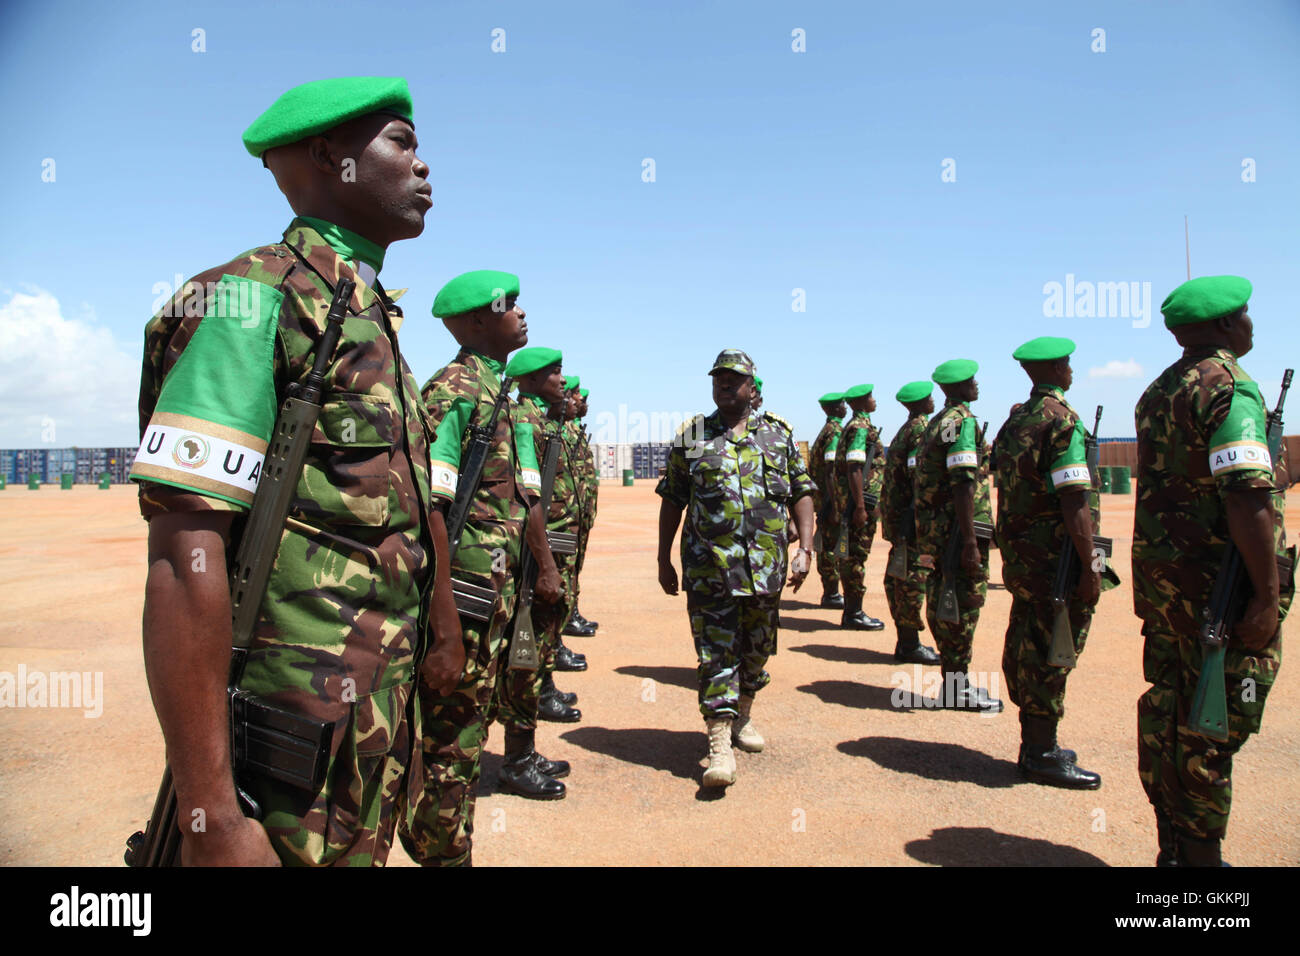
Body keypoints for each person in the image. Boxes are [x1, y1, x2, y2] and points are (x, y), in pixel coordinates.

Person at [131, 76, 462, 866]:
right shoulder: (251, 300)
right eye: (402, 142)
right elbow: (186, 554)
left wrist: (443, 629)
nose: (424, 166)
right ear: (326, 156)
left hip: (366, 720)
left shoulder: (363, 310)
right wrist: (209, 811)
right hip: (287, 748)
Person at [399, 272, 564, 864]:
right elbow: (433, 510)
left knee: (479, 721)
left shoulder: (499, 393)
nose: (520, 313)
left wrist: (541, 569)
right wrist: (443, 626)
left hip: (502, 590)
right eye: (507, 306)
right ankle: (443, 853)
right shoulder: (454, 392)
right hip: (465, 598)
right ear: (473, 324)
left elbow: (524, 501)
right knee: (452, 736)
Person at [1133, 275, 1292, 866]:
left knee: (1171, 714)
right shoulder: (1230, 389)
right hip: (1218, 592)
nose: (1251, 324)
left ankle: (1173, 851)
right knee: (1212, 727)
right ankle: (1202, 875)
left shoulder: (1159, 390)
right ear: (1227, 326)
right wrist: (1265, 597)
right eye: (1246, 315)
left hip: (1168, 589)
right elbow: (1246, 495)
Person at [656, 350, 815, 788]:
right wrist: (662, 556)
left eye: (734, 379)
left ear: (752, 387)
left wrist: (807, 548)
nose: (725, 385)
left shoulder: (779, 437)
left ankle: (744, 714)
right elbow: (673, 497)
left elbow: (801, 492)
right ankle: (719, 741)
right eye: (718, 379)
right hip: (710, 568)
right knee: (714, 652)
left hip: (766, 569)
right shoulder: (693, 436)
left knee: (757, 648)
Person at [991, 337, 1109, 789]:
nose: (1071, 371)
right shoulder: (1063, 421)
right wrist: (1091, 564)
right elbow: (1074, 499)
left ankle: (1036, 743)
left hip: (1024, 558)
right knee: (1054, 652)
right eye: (1068, 364)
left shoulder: (1016, 419)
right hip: (1056, 560)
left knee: (1028, 641)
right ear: (1058, 368)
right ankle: (1040, 753)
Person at [912, 359, 1003, 711]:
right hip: (956, 532)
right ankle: (955, 686)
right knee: (964, 603)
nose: (976, 385)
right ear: (959, 387)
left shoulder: (939, 423)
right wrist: (969, 540)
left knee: (942, 597)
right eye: (971, 381)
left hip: (937, 532)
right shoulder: (961, 422)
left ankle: (955, 682)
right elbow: (964, 482)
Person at [502, 360, 583, 727]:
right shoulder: (525, 422)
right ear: (532, 379)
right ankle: (519, 750)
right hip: (536, 550)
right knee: (525, 648)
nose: (564, 381)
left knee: (542, 634)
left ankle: (542, 693)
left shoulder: (546, 424)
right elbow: (530, 499)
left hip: (553, 544)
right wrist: (545, 562)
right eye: (555, 372)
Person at [880, 381, 941, 664]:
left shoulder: (907, 429)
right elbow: (920, 475)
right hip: (913, 519)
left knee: (902, 578)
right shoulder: (919, 429)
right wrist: (916, 517)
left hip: (904, 517)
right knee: (911, 582)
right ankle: (909, 644)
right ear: (921, 403)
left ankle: (907, 642)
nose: (933, 401)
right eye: (929, 398)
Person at [834, 384, 886, 630]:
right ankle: (854, 612)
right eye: (871, 397)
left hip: (853, 503)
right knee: (855, 557)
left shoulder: (854, 426)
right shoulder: (861, 427)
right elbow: (855, 467)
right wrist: (860, 506)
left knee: (851, 556)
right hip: (858, 505)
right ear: (863, 402)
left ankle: (852, 610)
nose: (875, 401)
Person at [563, 386, 600, 641]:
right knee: (565, 569)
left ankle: (570, 611)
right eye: (579, 396)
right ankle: (566, 617)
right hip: (562, 516)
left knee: (573, 567)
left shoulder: (573, 428)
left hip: (578, 511)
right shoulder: (560, 428)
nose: (582, 401)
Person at [809, 392, 848, 609]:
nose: (845, 407)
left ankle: (830, 592)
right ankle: (832, 593)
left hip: (823, 499)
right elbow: (831, 471)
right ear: (835, 408)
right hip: (830, 500)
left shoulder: (826, 431)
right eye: (842, 404)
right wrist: (835, 504)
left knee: (825, 544)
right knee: (831, 546)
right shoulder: (834, 433)